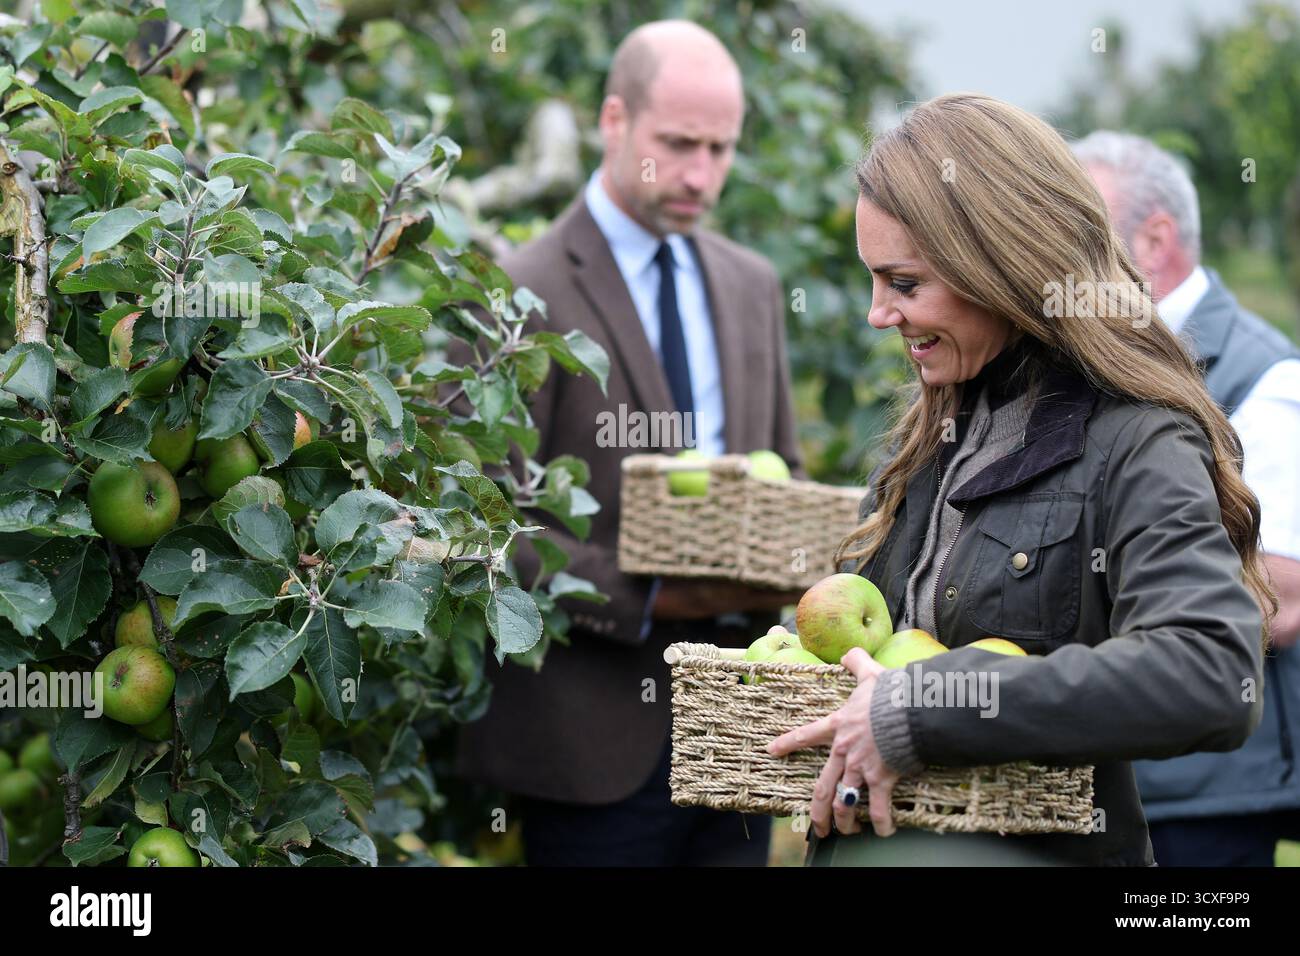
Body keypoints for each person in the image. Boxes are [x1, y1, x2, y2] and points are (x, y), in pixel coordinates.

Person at [768, 92, 1272, 866]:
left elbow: (1208, 671)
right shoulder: (928, 435)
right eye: (872, 280)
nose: (877, 313)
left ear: (1000, 265)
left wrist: (928, 705)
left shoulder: (1136, 439)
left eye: (904, 284)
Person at [453, 20, 804, 866]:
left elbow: (784, 470)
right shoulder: (513, 292)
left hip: (737, 732)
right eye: (678, 143)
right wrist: (645, 599)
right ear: (614, 121)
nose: (700, 175)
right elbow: (478, 525)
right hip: (588, 748)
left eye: (720, 149)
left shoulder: (751, 284)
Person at [1074, 130, 1300, 866]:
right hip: (1110, 772)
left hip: (1208, 795)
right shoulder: (1089, 364)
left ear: (1157, 237)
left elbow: (1282, 596)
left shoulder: (1265, 375)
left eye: (1083, 227)